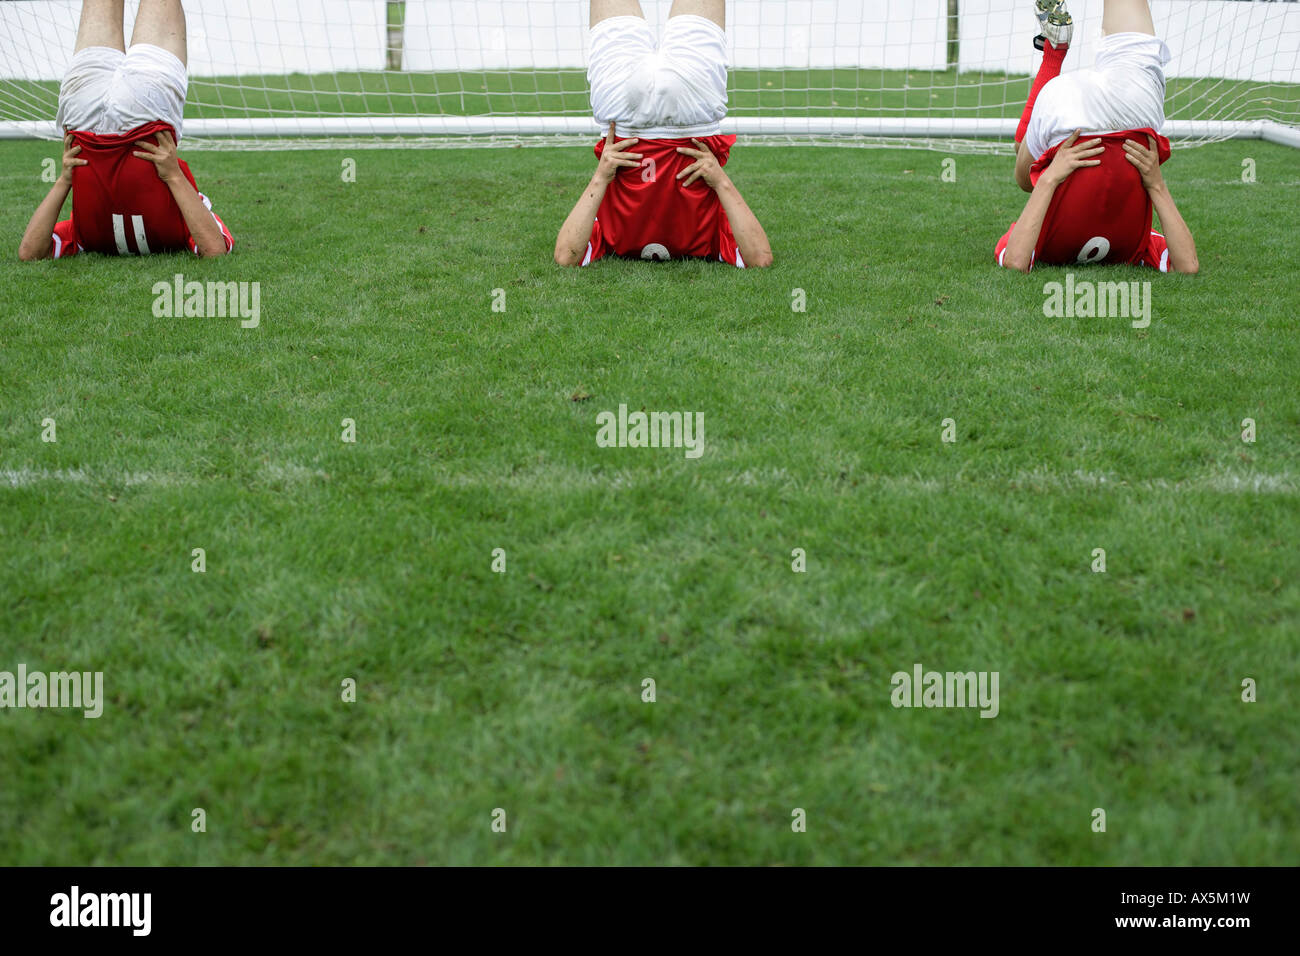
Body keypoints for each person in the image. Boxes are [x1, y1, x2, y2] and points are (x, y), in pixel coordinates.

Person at [554, 0, 772, 268]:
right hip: (691, 118)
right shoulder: (710, 243)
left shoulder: (609, 239)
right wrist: (719, 179)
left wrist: (601, 177)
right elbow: (760, 259)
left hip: (625, 118)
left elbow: (566, 258)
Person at [19, 0, 232, 261]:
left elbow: (30, 253)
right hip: (115, 115)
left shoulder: (81, 233)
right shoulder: (186, 214)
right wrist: (173, 175)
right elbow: (215, 250)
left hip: (123, 114)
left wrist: (65, 179)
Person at [995, 0, 1197, 273]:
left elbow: (1015, 263)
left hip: (1129, 108)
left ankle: (1054, 52)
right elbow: (1187, 267)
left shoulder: (1130, 247)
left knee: (1026, 176)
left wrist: (1052, 176)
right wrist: (1156, 184)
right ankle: (1055, 51)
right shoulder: (1141, 246)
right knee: (1025, 173)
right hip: (1081, 111)